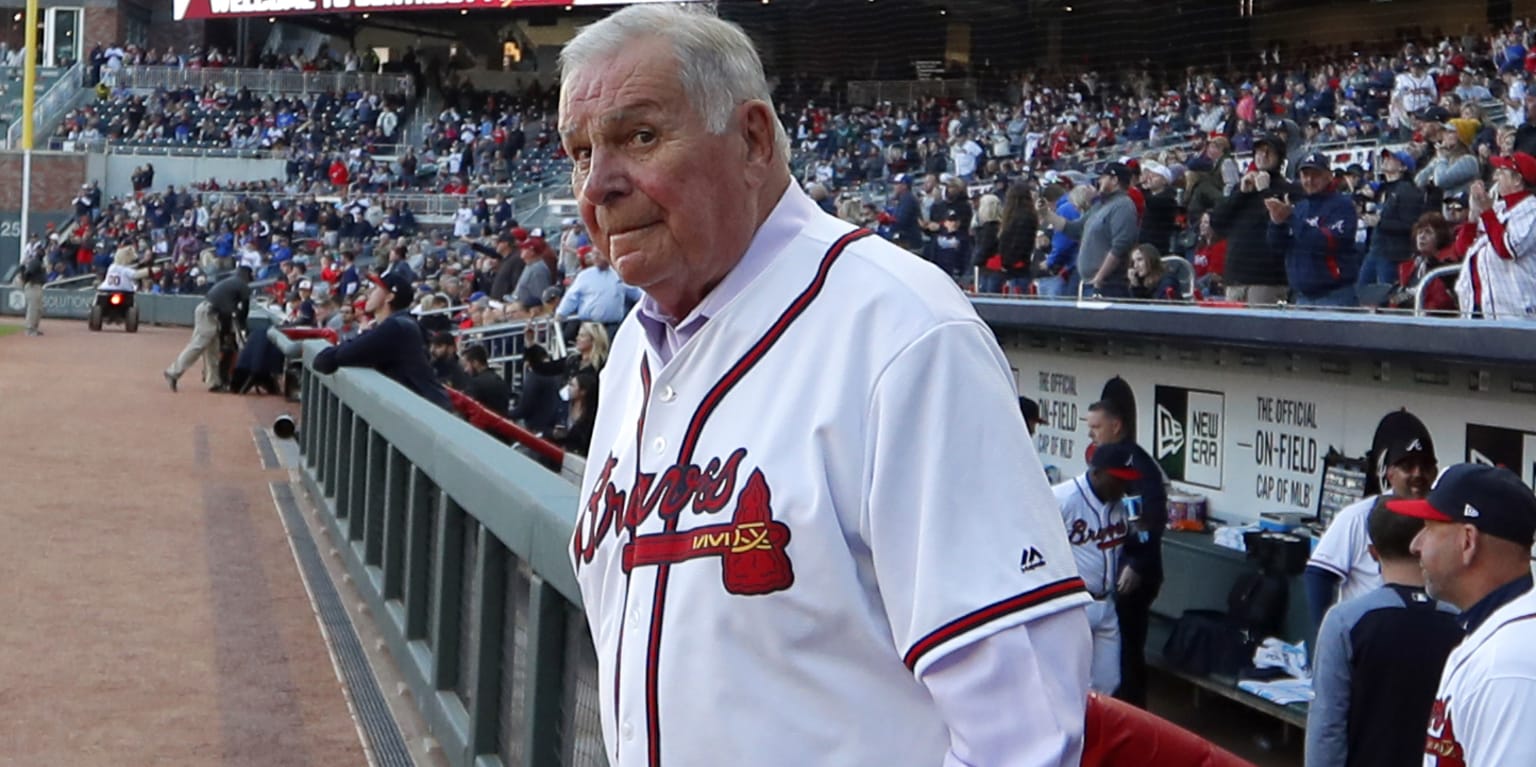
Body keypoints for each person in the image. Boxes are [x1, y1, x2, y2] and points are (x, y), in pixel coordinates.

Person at [559, 6, 1092, 766]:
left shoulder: (903, 331)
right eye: (580, 153)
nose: (599, 184)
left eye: (639, 136)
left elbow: (1024, 734)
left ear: (753, 139)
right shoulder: (630, 357)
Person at [1386, 464, 1536, 767]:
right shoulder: (1496, 634)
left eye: (1429, 528)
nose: (1415, 545)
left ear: (1467, 541)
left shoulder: (1509, 666)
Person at [1305, 499, 1461, 767]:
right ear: (1422, 545)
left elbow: (1327, 727)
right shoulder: (1461, 621)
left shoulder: (1345, 620)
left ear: (1373, 552)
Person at [1305, 410, 1437, 632]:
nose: (1418, 474)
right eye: (1407, 466)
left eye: (1425, 466)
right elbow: (1318, 574)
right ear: (1389, 473)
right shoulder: (1359, 517)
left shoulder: (1444, 517)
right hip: (1366, 634)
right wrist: (1324, 635)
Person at [1085, 398, 1166, 708]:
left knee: (1127, 649)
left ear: (1116, 426)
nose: (1091, 434)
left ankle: (1132, 715)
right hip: (1113, 572)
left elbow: (1151, 519)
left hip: (1135, 574)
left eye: (1097, 427)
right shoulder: (1107, 461)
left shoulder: (1136, 465)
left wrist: (1136, 563)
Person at [1053, 442, 1141, 694]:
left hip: (1107, 604)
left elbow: (1138, 542)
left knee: (1108, 683)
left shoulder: (1123, 504)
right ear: (1097, 472)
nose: (1123, 487)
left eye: (1126, 480)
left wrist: (1134, 563)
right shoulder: (1062, 499)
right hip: (1072, 606)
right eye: (1117, 479)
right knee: (1068, 683)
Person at [311, 272, 451, 411]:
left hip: (426, 414)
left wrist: (334, 353)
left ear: (389, 297)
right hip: (426, 409)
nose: (370, 293)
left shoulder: (396, 326)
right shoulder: (403, 322)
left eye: (377, 288)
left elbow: (328, 360)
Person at [1266, 152, 1360, 307]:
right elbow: (1278, 247)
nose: (1309, 180)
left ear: (1329, 176)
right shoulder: (1301, 207)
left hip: (1334, 296)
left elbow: (1327, 242)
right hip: (1302, 297)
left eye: (1316, 175)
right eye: (1305, 175)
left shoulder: (1343, 205)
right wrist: (1277, 222)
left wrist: (1291, 218)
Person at [1212, 133, 1294, 305]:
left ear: (1279, 157)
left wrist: (1265, 191)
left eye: (1268, 152)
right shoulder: (1243, 188)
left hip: (1267, 278)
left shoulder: (1287, 189)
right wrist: (1240, 194)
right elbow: (1217, 223)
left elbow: (1277, 223)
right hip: (1235, 276)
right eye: (1259, 151)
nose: (1262, 156)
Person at [1454, 151, 1536, 319]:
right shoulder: (1499, 209)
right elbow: (1462, 249)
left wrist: (1486, 211)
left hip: (1517, 313)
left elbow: (1508, 249)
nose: (1495, 177)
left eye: (1501, 172)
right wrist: (1474, 215)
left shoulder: (1531, 210)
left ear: (1517, 180)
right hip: (1481, 309)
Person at [1039, 163, 1139, 298]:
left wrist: (1099, 277)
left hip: (1107, 285)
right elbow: (1075, 229)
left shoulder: (1123, 205)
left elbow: (1120, 245)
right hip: (1091, 283)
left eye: (1103, 177)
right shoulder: (1100, 205)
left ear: (1114, 180)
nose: (1099, 181)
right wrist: (1046, 214)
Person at [165, 265, 252, 392]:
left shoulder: (232, 282)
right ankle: (172, 372)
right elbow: (244, 310)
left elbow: (230, 310)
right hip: (208, 312)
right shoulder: (242, 285)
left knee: (213, 349)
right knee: (198, 345)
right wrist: (243, 327)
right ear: (247, 275)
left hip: (209, 311)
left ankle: (214, 383)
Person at [506, 344, 565, 435]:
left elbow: (524, 408)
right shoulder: (556, 375)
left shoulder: (534, 378)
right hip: (553, 427)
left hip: (537, 429)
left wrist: (506, 414)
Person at [461, 343, 510, 416]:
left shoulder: (475, 384)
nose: (466, 370)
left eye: (466, 365)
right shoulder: (500, 380)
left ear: (475, 363)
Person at [19, 237, 47, 336]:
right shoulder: (35, 261)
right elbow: (28, 273)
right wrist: (26, 281)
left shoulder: (39, 262)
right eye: (40, 249)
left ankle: (34, 328)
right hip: (33, 286)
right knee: (33, 309)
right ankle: (29, 329)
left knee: (38, 309)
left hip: (37, 286)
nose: (42, 251)